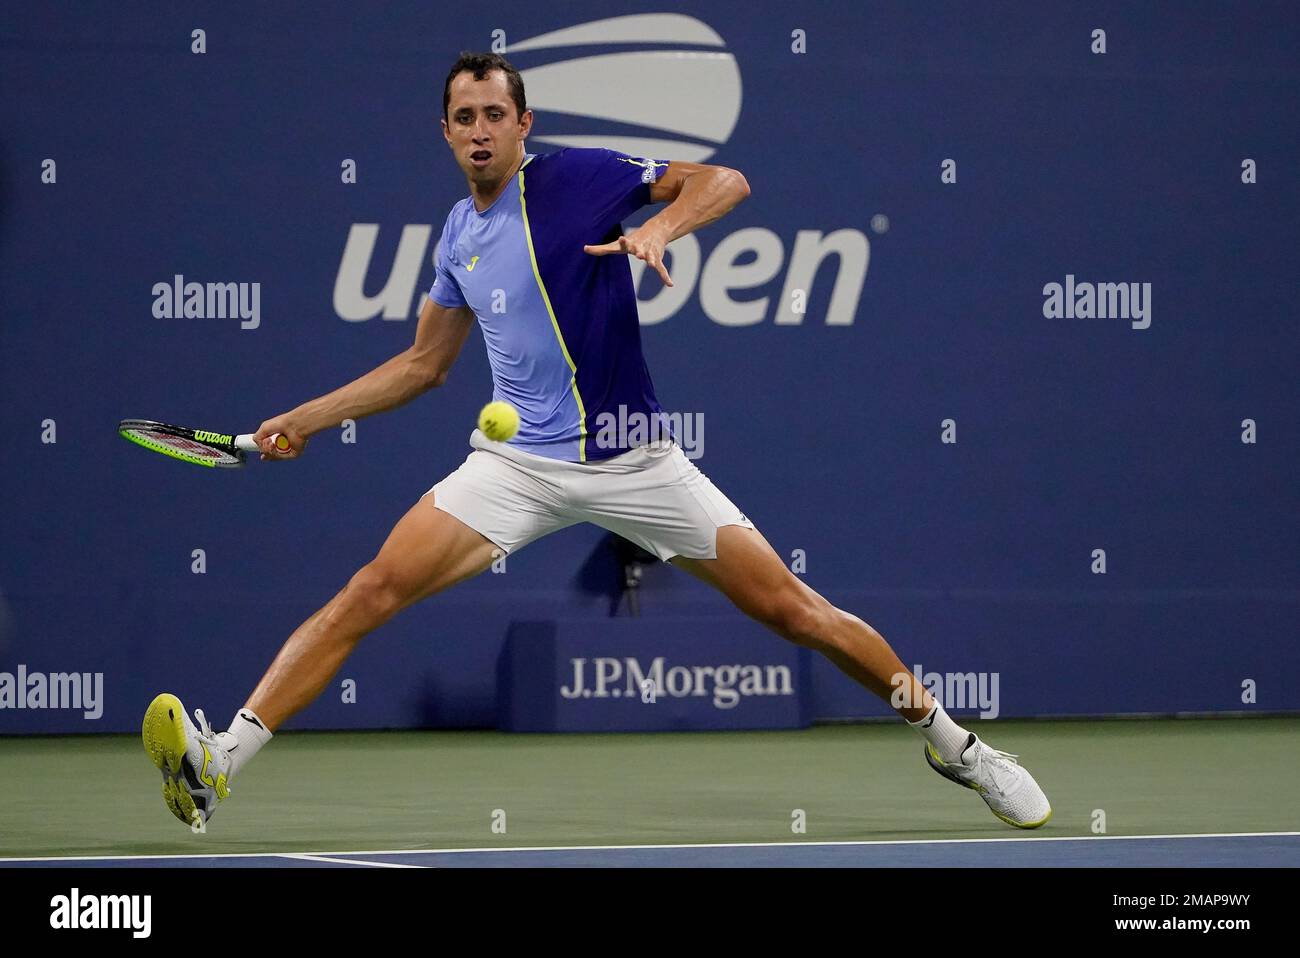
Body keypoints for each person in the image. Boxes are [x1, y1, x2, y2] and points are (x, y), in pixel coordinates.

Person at [141, 52, 1050, 832]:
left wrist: (659, 224)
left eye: (497, 113)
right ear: (447, 135)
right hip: (518, 467)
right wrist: (306, 416)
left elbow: (723, 181)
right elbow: (423, 366)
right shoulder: (460, 232)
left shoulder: (579, 175)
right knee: (368, 591)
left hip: (637, 462)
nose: (482, 129)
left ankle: (954, 745)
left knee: (795, 614)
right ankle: (222, 760)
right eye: (464, 117)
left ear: (523, 122)